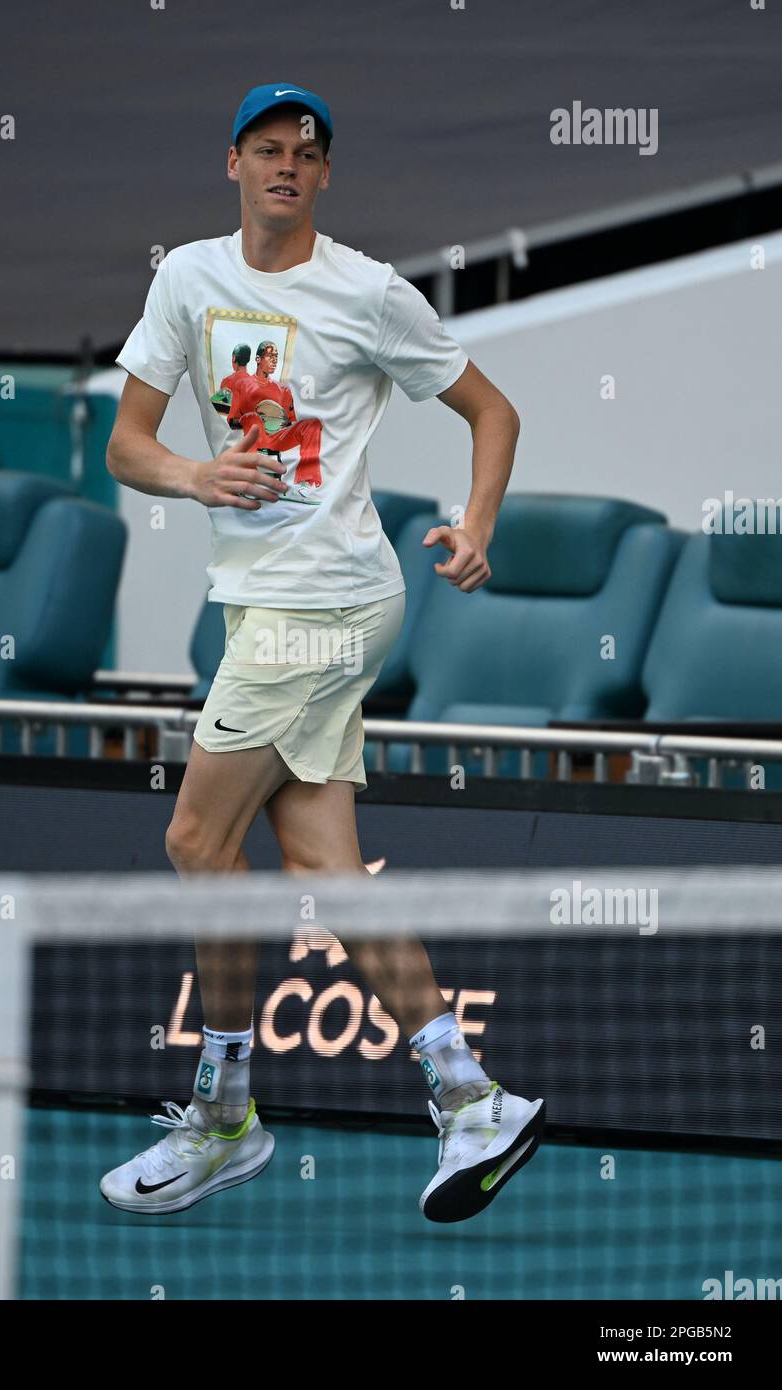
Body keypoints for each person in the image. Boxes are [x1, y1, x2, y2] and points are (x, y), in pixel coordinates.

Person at [101, 82, 544, 1222]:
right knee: (324, 871)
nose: (286, 165)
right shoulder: (188, 279)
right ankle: (466, 1088)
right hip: (262, 606)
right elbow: (127, 444)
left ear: (325, 174)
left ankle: (226, 1112)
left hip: (325, 603)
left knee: (197, 836)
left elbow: (493, 411)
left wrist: (478, 523)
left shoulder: (371, 293)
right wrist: (197, 475)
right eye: (266, 148)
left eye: (306, 151)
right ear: (234, 163)